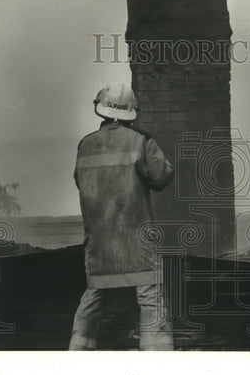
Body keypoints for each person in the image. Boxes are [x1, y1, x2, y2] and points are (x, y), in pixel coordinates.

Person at [69, 82, 174, 351]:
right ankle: (159, 363)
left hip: (99, 242)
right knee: (151, 299)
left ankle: (78, 353)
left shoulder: (85, 145)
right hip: (136, 241)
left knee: (93, 297)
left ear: (101, 109)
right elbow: (161, 178)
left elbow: (80, 183)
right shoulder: (141, 142)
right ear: (131, 112)